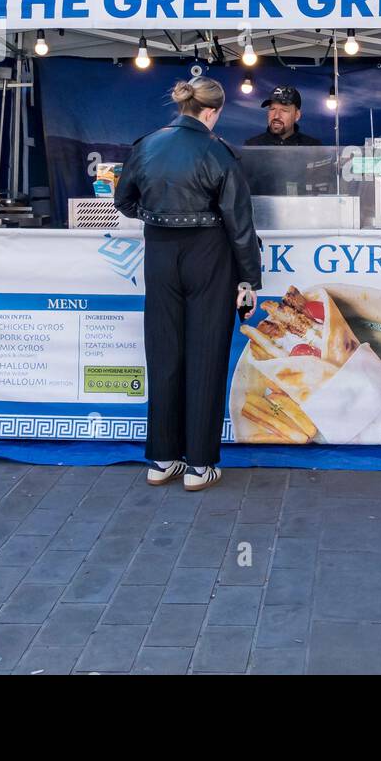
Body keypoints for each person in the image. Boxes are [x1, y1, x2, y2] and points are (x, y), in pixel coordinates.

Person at [115, 77, 261, 489]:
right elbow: (240, 224)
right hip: (209, 255)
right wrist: (249, 278)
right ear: (213, 111)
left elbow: (123, 202)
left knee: (164, 353)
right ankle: (199, 465)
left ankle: (162, 459)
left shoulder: (146, 145)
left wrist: (159, 215)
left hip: (160, 254)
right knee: (206, 355)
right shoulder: (218, 152)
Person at [244, 85, 322, 146]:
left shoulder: (312, 146)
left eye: (284, 110)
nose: (276, 116)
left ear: (297, 115)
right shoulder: (252, 145)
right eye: (272, 109)